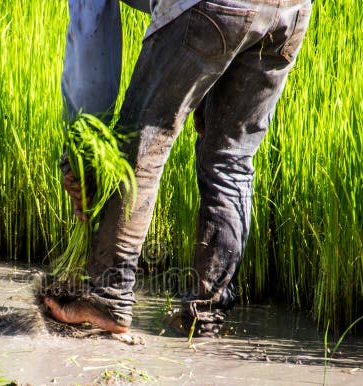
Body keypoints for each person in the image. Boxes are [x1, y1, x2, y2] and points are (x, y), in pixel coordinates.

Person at [44, 0, 312, 336]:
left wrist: (82, 151)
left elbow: (90, 26)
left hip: (208, 8)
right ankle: (205, 315)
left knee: (141, 145)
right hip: (290, 12)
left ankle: (107, 297)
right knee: (231, 161)